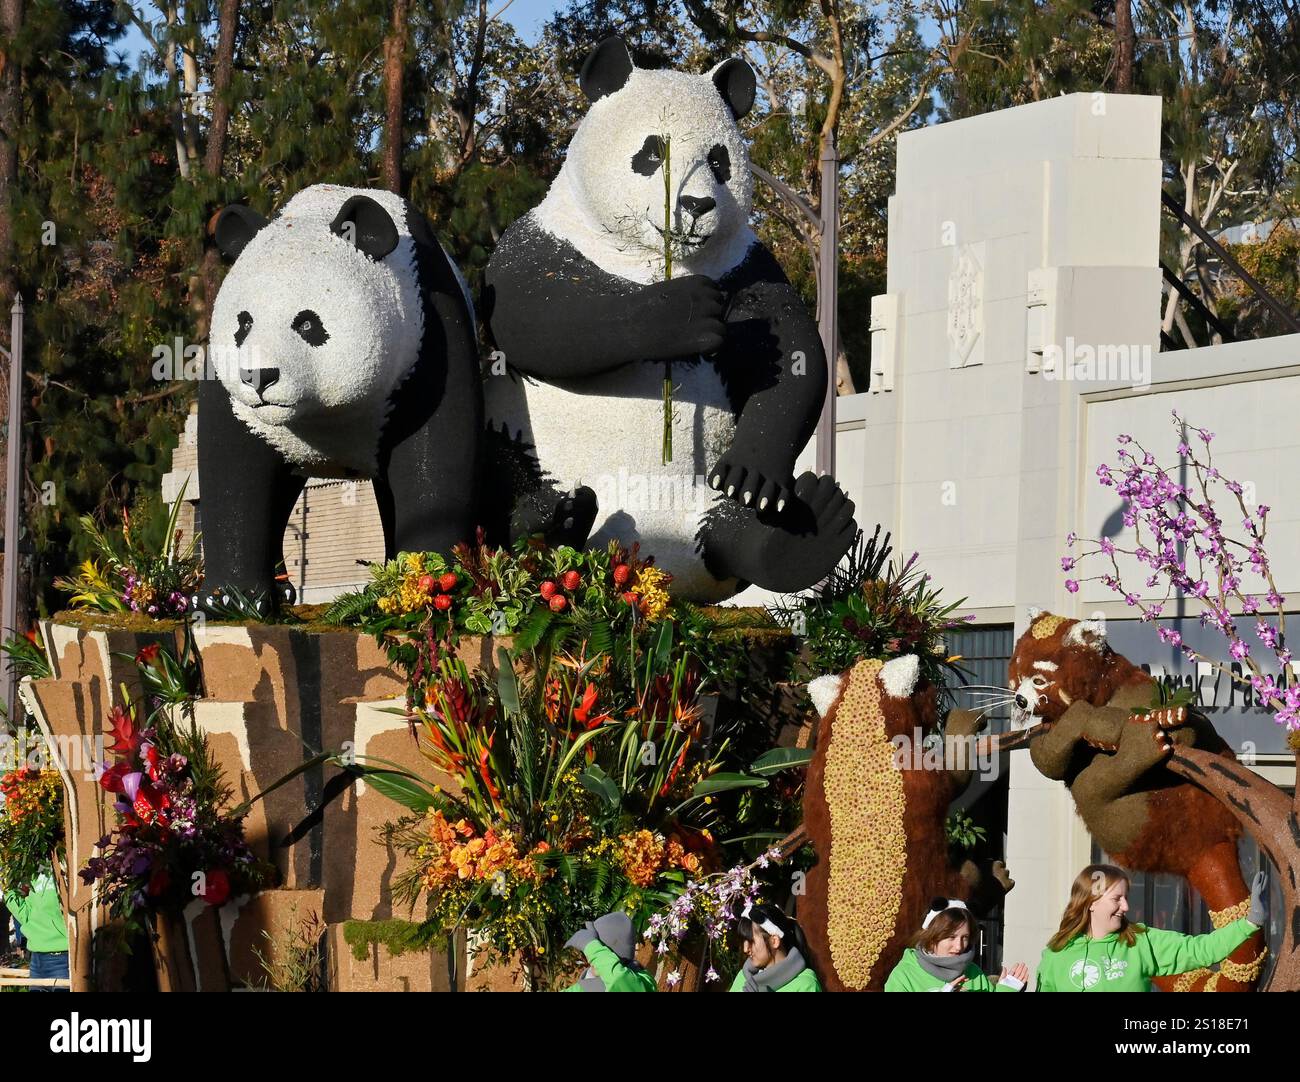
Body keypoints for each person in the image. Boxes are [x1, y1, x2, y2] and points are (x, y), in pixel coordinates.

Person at [1036, 863, 1267, 992]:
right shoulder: (1056, 954)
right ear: (1091, 902)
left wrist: (1249, 922)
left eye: (1126, 897)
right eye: (1117, 899)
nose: (1125, 906)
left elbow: (1200, 949)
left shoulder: (1141, 941)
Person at [885, 897, 1029, 991]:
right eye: (951, 937)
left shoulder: (973, 972)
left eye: (965, 937)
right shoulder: (904, 975)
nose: (959, 946)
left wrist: (1005, 990)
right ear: (931, 936)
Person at [1, 867, 69, 991]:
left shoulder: (64, 867)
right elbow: (26, 915)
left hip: (62, 958)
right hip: (36, 959)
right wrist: (8, 888)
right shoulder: (32, 872)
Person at [729, 902, 821, 991]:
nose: (745, 949)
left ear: (774, 941)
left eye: (751, 941)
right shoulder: (743, 977)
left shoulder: (805, 984)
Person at [562, 911, 656, 991]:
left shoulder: (643, 981)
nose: (589, 958)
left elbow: (619, 979)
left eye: (598, 948)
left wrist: (590, 946)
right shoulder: (588, 983)